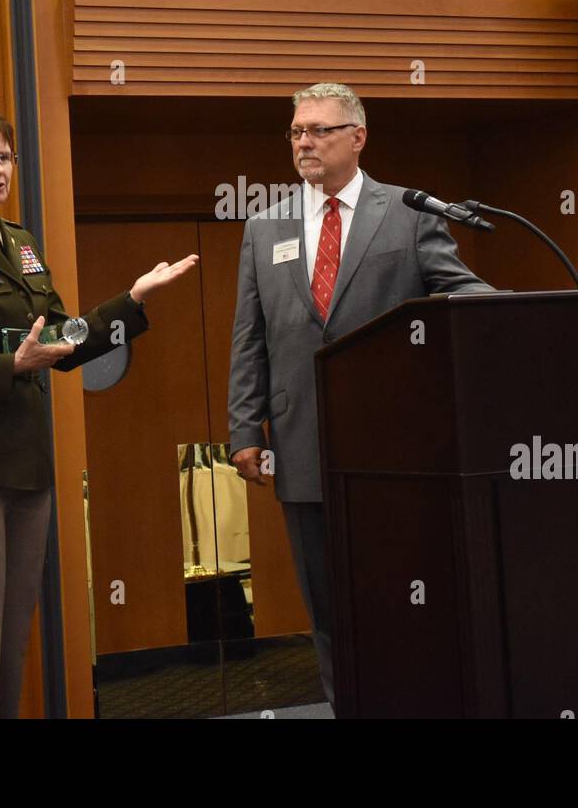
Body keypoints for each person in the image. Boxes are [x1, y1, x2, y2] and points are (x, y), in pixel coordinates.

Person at [0, 106, 198, 718]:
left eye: (4, 157)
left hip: (24, 469)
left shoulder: (21, 244)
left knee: (8, 645)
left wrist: (130, 302)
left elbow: (61, 340)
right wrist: (9, 368)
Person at [227, 82, 492, 707]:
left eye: (320, 130)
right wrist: (244, 430)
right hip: (302, 445)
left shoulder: (409, 211)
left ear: (357, 137)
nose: (305, 142)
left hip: (397, 450)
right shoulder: (265, 227)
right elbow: (250, 337)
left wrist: (521, 312)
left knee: (403, 596)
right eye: (297, 131)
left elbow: (461, 291)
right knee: (328, 610)